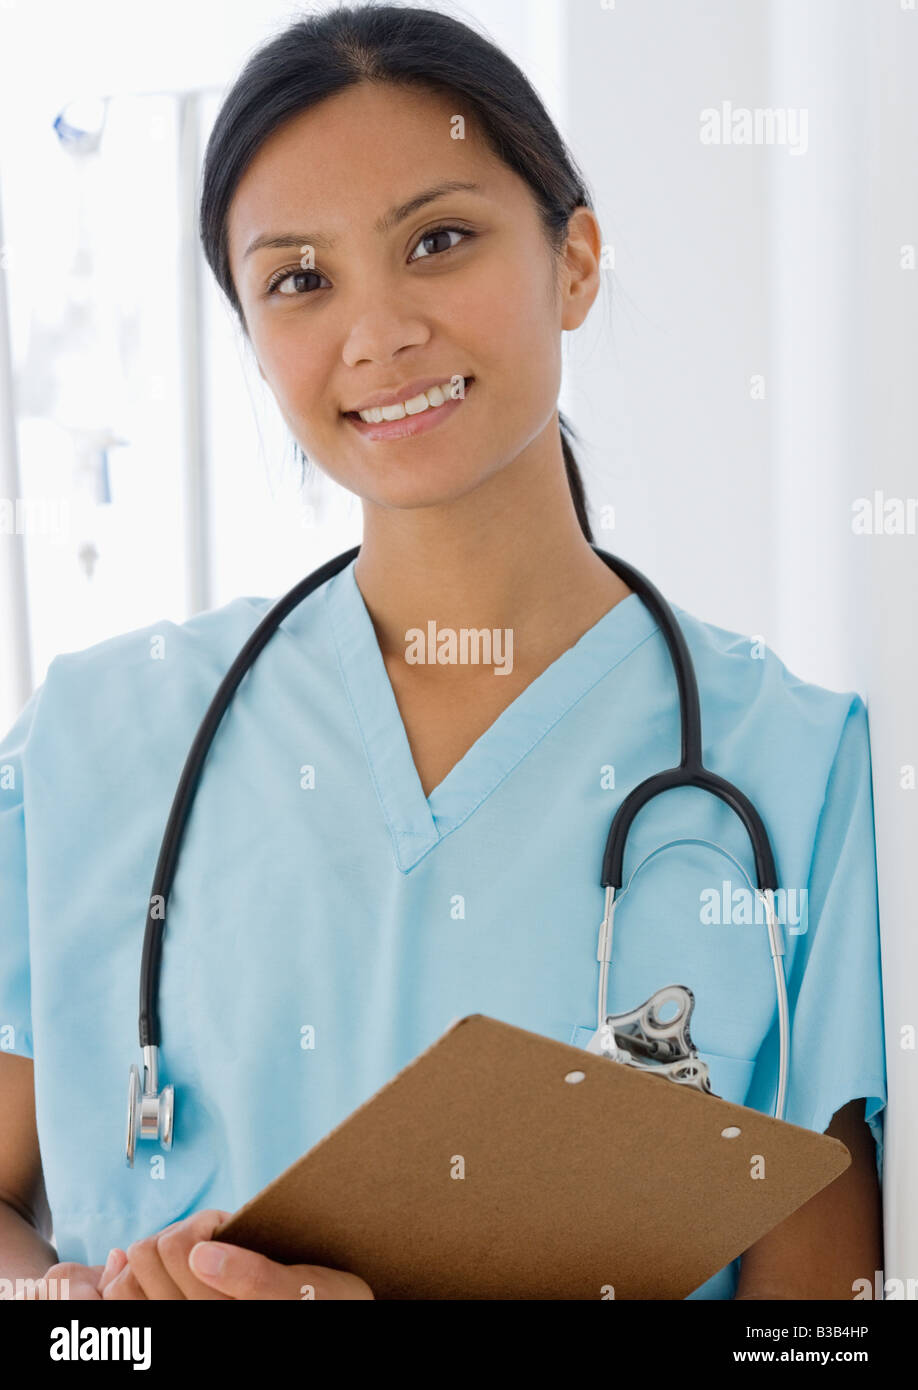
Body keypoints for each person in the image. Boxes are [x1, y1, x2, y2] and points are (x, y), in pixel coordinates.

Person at [0, 3, 885, 1301]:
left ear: (575, 260)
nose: (378, 331)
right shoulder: (95, 739)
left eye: (438, 240)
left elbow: (818, 1329)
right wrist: (71, 1315)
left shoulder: (799, 772)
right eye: (300, 279)